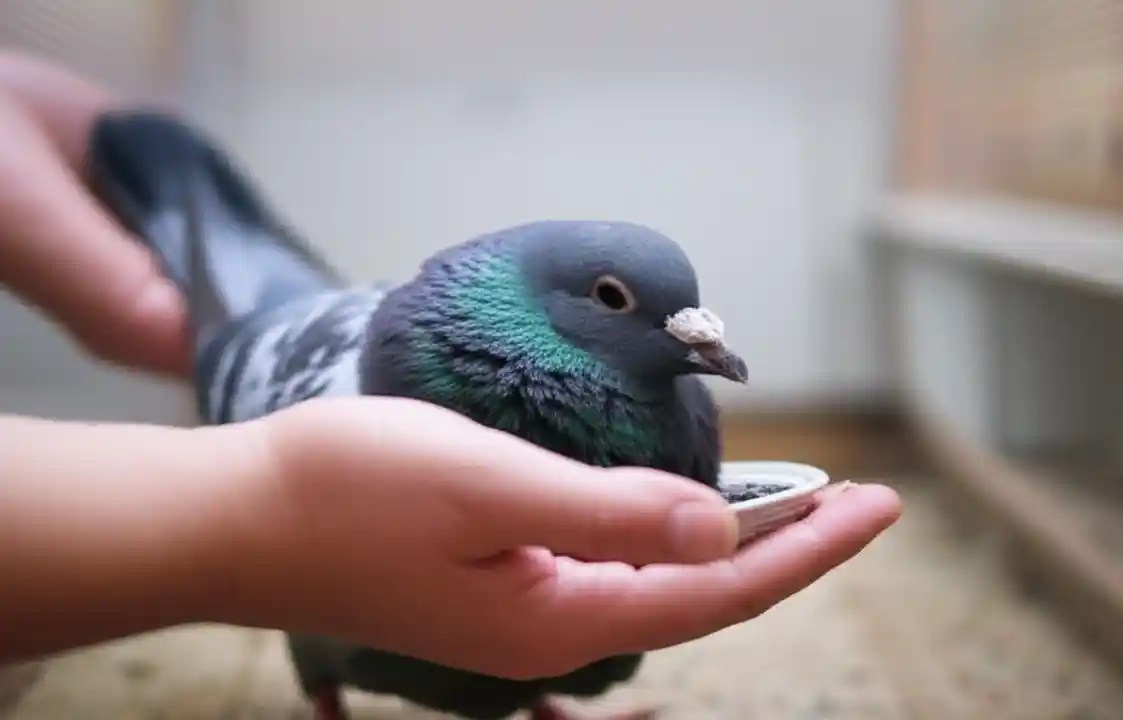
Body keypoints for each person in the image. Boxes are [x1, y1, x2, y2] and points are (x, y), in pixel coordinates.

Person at [0, 51, 901, 679]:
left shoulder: (658, 373)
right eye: (622, 304)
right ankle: (326, 693)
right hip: (301, 354)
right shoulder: (360, 405)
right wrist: (255, 519)